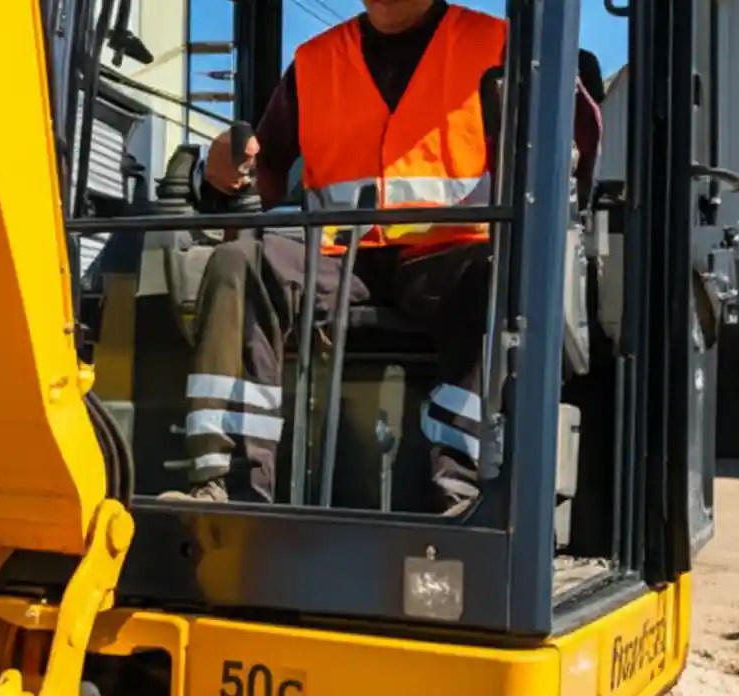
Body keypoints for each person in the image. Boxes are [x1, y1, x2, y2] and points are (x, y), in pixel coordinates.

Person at [163, 0, 602, 515]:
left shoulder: (502, 48)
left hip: (452, 255)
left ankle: (461, 492)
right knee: (238, 261)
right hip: (341, 255)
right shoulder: (313, 62)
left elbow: (572, 158)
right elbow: (262, 170)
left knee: (501, 275)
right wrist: (221, 172)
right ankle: (226, 488)